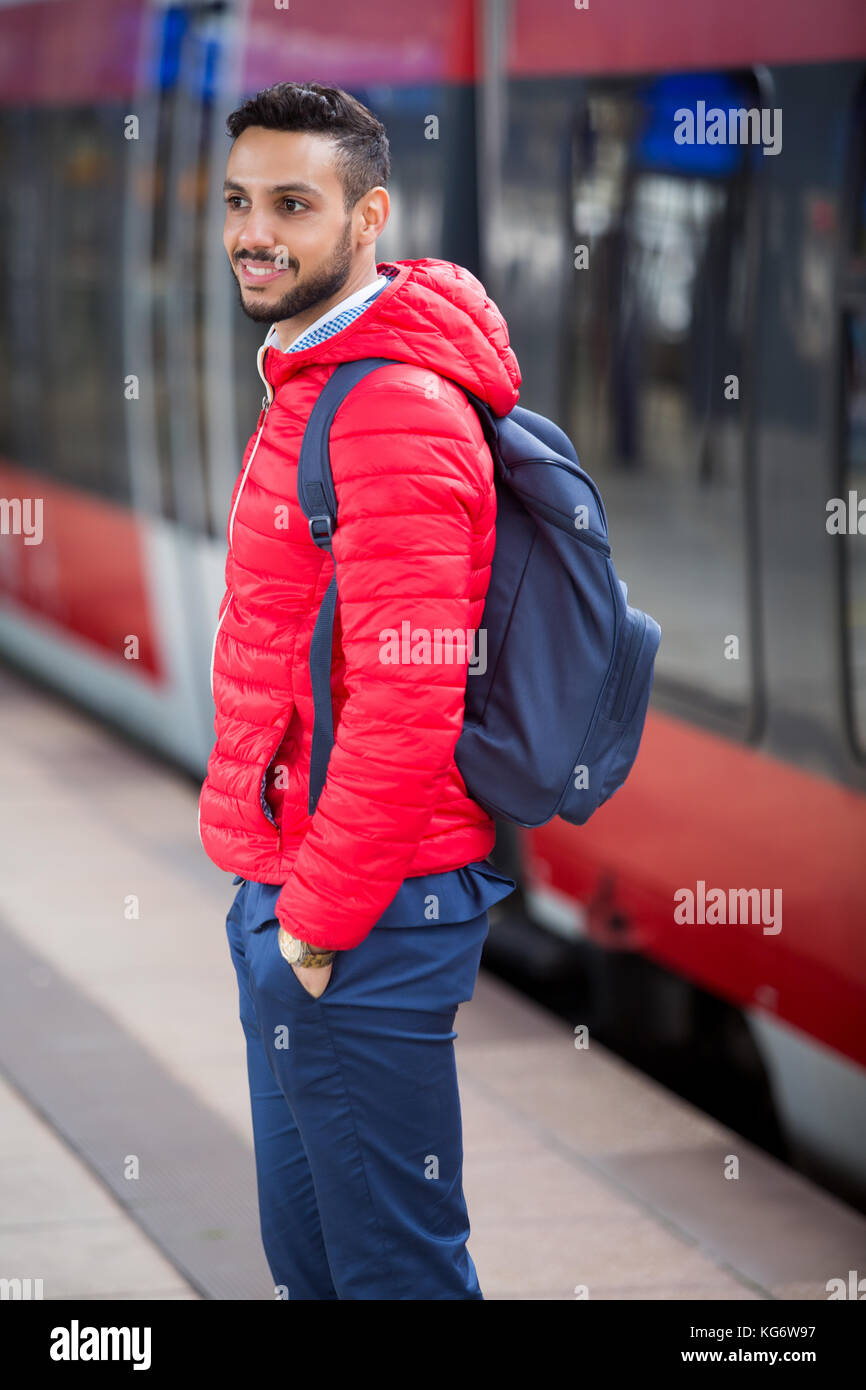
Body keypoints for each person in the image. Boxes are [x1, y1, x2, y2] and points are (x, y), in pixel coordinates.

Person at [197, 80, 520, 1300]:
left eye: (291, 202)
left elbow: (407, 701)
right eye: (237, 202)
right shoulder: (315, 377)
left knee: (392, 1270)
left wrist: (316, 926)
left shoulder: (387, 406)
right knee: (318, 1265)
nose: (253, 231)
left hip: (363, 913)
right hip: (301, 888)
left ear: (367, 214)